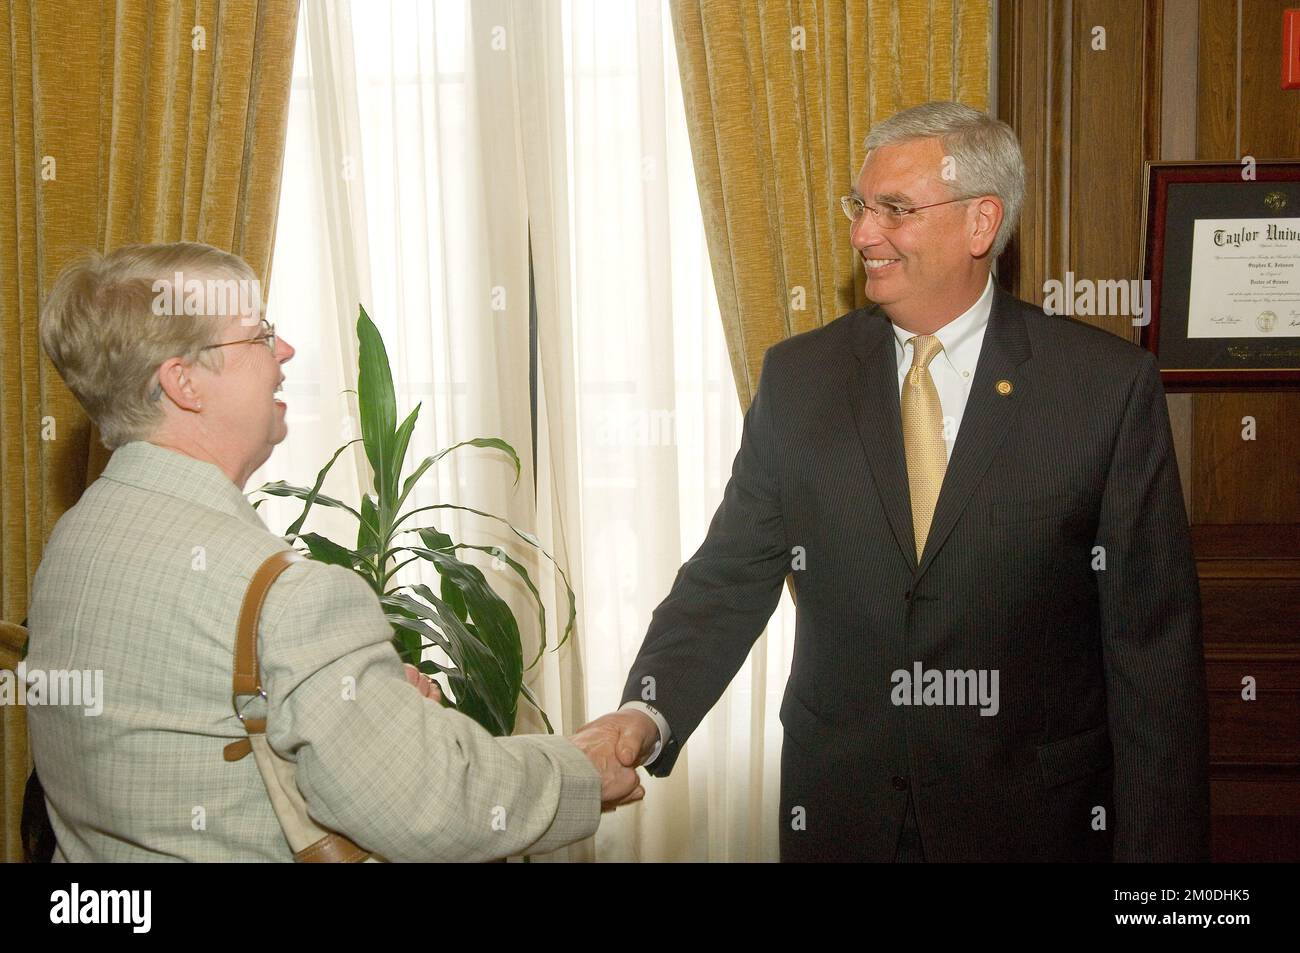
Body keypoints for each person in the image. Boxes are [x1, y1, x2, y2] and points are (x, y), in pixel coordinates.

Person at [578, 101, 1211, 862]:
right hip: (843, 821)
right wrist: (644, 714)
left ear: (982, 223)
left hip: (1030, 826)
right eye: (860, 205)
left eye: (895, 210)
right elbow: (726, 579)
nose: (862, 233)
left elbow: (1154, 663)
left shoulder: (1102, 390)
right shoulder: (800, 379)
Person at [27, 241, 640, 862]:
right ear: (183, 382)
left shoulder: (75, 540)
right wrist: (577, 771)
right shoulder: (286, 594)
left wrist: (368, 706)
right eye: (259, 335)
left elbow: (178, 729)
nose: (284, 352)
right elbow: (431, 809)